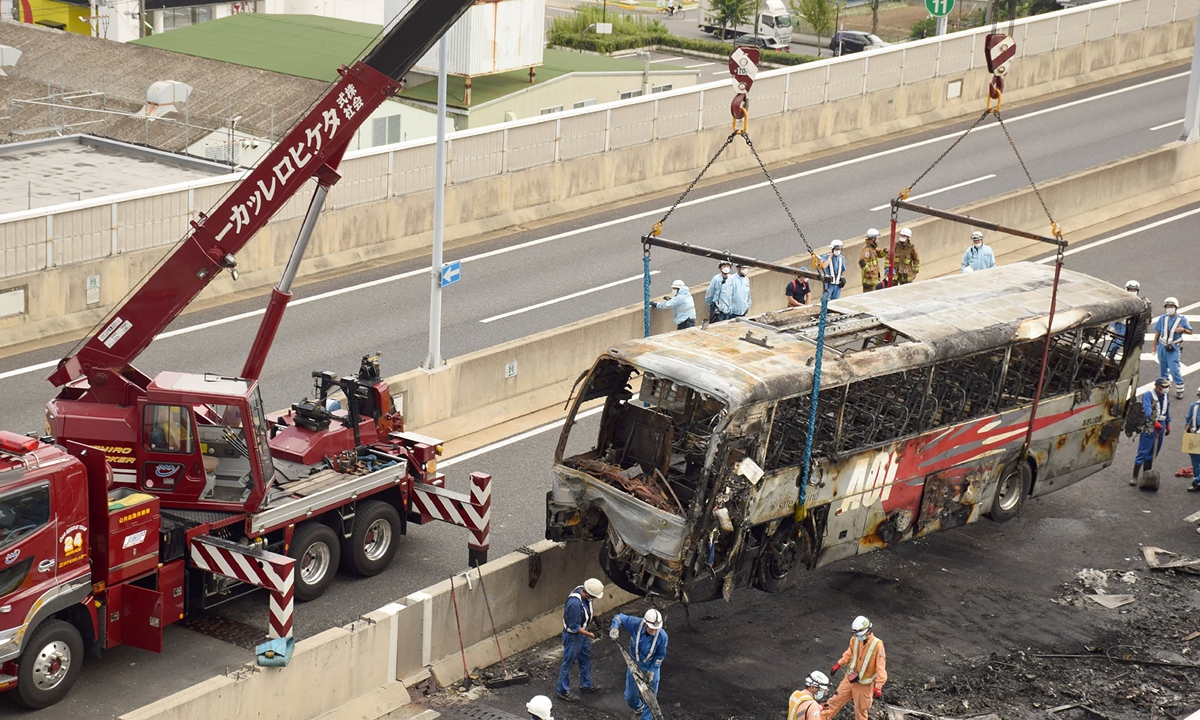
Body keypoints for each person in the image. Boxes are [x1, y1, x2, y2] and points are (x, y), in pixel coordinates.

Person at [822, 616, 886, 720]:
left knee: (860, 710)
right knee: (834, 701)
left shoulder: (877, 645)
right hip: (850, 679)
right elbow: (849, 653)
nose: (858, 637)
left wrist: (878, 686)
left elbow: (881, 667)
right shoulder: (855, 639)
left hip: (864, 685)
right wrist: (839, 664)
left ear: (868, 631)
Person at [609, 608, 668, 720]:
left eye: (656, 629)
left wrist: (652, 671)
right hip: (634, 666)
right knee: (630, 697)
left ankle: (645, 718)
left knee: (650, 700)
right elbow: (619, 617)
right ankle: (638, 708)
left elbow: (660, 655)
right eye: (652, 629)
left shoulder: (663, 637)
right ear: (645, 623)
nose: (654, 632)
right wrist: (614, 627)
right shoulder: (635, 624)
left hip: (651, 667)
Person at [556, 578, 605, 702]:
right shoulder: (574, 605)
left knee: (586, 657)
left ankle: (586, 683)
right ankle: (562, 690)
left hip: (582, 633)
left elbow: (588, 608)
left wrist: (594, 617)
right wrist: (590, 634)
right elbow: (574, 627)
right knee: (569, 661)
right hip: (573, 636)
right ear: (588, 594)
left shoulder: (584, 593)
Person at [1132, 378, 1172, 488]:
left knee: (1154, 450)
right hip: (1150, 425)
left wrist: (1167, 423)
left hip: (1161, 424)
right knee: (1144, 449)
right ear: (1157, 387)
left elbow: (1166, 409)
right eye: (1163, 387)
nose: (1165, 390)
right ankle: (1134, 476)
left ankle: (1146, 475)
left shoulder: (1165, 396)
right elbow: (1146, 409)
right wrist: (1153, 421)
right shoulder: (1149, 395)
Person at [1155, 297, 1193, 399]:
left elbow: (1190, 331)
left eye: (1171, 307)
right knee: (1162, 367)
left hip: (1174, 347)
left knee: (1174, 368)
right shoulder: (1162, 318)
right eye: (1167, 307)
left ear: (1176, 307)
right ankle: (1164, 385)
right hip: (1162, 346)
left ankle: (1179, 387)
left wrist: (1183, 329)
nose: (1169, 309)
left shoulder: (1182, 319)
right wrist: (1154, 346)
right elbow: (1158, 332)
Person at [1107, 280, 1141, 360]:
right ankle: (1109, 356)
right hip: (1121, 325)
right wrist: (1113, 326)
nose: (1133, 292)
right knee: (1118, 341)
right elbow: (1116, 314)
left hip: (1132, 326)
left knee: (1130, 345)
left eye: (1135, 290)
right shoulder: (1122, 301)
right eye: (1131, 290)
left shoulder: (1139, 302)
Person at [1186, 387, 1200, 492]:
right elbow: (1188, 420)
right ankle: (1197, 481)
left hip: (1195, 435)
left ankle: (1197, 481)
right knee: (1195, 461)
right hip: (1194, 435)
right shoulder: (1194, 406)